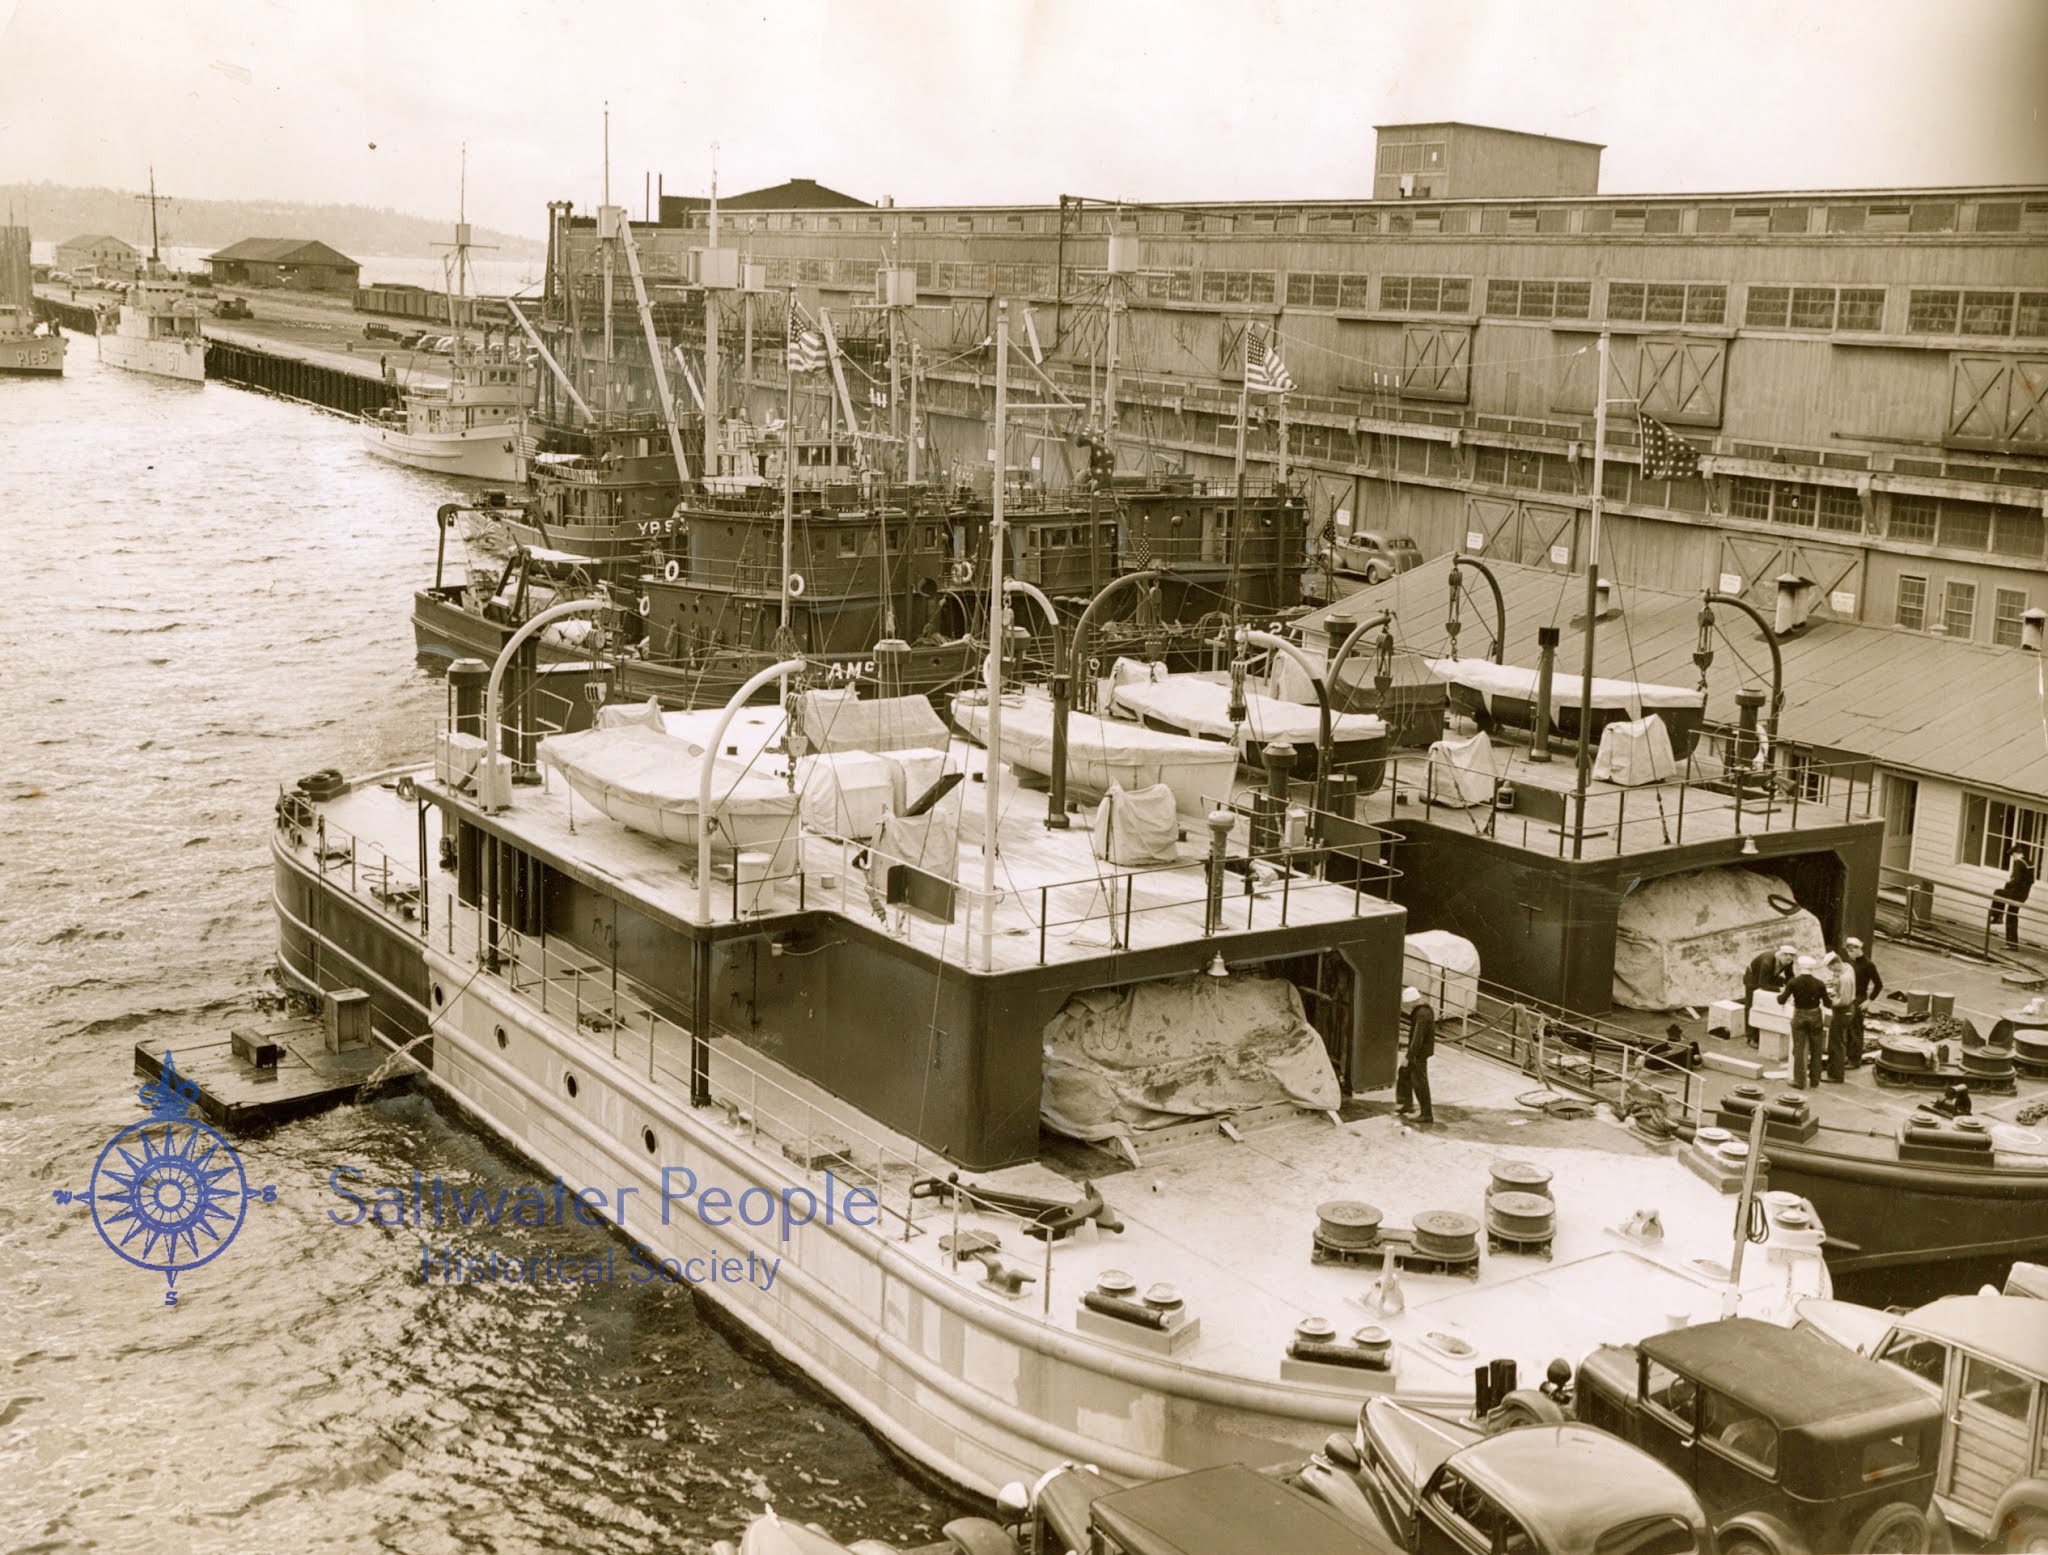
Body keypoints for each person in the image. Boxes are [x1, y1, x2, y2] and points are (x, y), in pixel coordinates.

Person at [1777, 955, 1833, 1089]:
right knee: (1816, 1049)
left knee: (1799, 1049)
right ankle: (1814, 1080)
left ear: (1800, 967)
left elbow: (1781, 1000)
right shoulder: (1819, 983)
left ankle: (1799, 1081)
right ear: (1812, 968)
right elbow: (1827, 1003)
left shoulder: (1793, 982)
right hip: (1815, 1016)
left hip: (1800, 1016)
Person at [1742, 944, 1797, 1048]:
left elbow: (1790, 975)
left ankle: (1764, 1029)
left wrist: (1792, 986)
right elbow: (1762, 984)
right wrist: (1780, 989)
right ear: (1782, 955)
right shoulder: (1766, 962)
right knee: (1751, 1005)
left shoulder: (1788, 960)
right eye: (1787, 960)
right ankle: (1750, 1037)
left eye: (1790, 960)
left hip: (1770, 976)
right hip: (1753, 978)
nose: (1789, 963)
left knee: (1768, 1002)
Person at [1394, 986, 1435, 1125]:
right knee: (1404, 1072)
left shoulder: (1421, 1015)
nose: (1407, 1006)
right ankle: (1406, 1104)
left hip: (1418, 1055)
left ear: (1412, 1002)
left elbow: (1417, 1038)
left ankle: (1426, 1114)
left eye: (1407, 1004)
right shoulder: (1425, 1010)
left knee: (1420, 1083)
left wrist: (1409, 1056)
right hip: (1419, 1053)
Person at [1845, 936, 1881, 1067]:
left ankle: (1855, 1060)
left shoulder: (1868, 965)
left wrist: (1869, 1001)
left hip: (1859, 999)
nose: (1849, 954)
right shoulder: (1852, 961)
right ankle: (1849, 1056)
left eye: (1850, 951)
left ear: (1857, 949)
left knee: (1856, 1030)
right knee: (1849, 1029)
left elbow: (1879, 985)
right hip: (1850, 997)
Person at [1822, 951, 1857, 1082]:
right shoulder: (1847, 967)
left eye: (1830, 968)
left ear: (1836, 964)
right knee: (1840, 1041)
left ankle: (1835, 1075)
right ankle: (1836, 1070)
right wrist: (1833, 982)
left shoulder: (1845, 979)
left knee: (1835, 1044)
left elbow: (1843, 1000)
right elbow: (1838, 976)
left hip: (1843, 1011)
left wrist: (1828, 1001)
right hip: (1848, 1010)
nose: (1830, 971)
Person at [1991, 847, 2035, 947]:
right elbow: (2029, 881)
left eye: (2013, 855)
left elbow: (2017, 879)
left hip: (2015, 894)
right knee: (2012, 916)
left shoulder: (2019, 863)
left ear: (2017, 853)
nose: (2013, 858)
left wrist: (2008, 885)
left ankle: (1997, 916)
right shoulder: (2029, 863)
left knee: (1997, 892)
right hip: (2023, 895)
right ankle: (2012, 944)